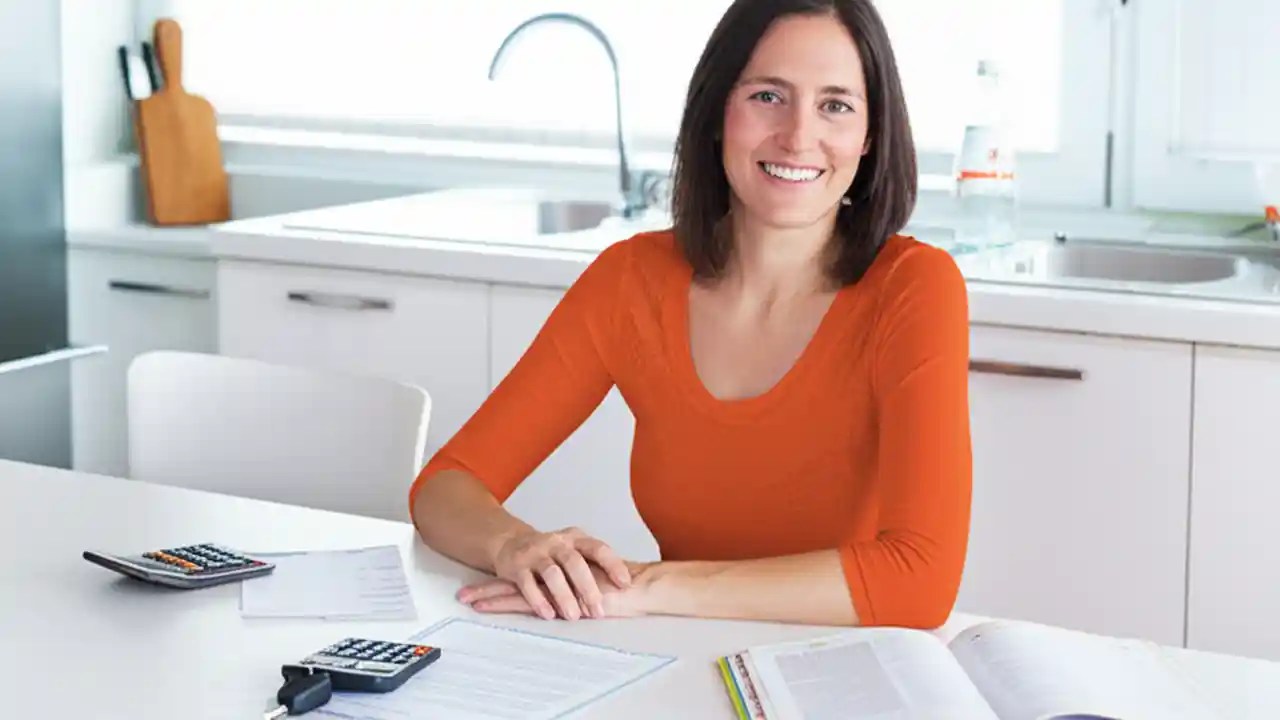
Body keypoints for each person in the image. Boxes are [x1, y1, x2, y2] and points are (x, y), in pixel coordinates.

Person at [408, 0, 971, 630]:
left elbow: (920, 582)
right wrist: (512, 547)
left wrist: (647, 585)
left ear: (869, 138)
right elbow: (445, 487)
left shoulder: (913, 287)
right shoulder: (633, 281)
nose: (797, 135)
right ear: (716, 113)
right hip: (679, 649)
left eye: (835, 105)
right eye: (767, 96)